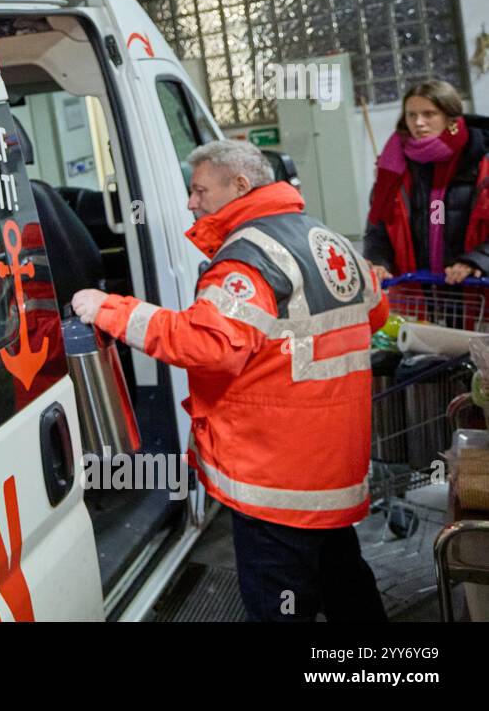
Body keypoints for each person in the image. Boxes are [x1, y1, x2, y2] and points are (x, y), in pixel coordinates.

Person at [71, 140, 389, 622]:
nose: (190, 202)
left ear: (240, 185)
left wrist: (109, 309)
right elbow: (376, 313)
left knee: (280, 602)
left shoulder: (248, 259)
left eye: (200, 190)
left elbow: (205, 344)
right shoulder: (327, 238)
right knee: (344, 581)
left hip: (275, 475)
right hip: (333, 463)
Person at [365, 79, 489, 284]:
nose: (419, 122)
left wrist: (476, 261)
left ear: (450, 117)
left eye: (429, 114)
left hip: (474, 287)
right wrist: (378, 262)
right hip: (415, 288)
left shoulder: (481, 162)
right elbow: (377, 231)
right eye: (411, 115)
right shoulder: (392, 168)